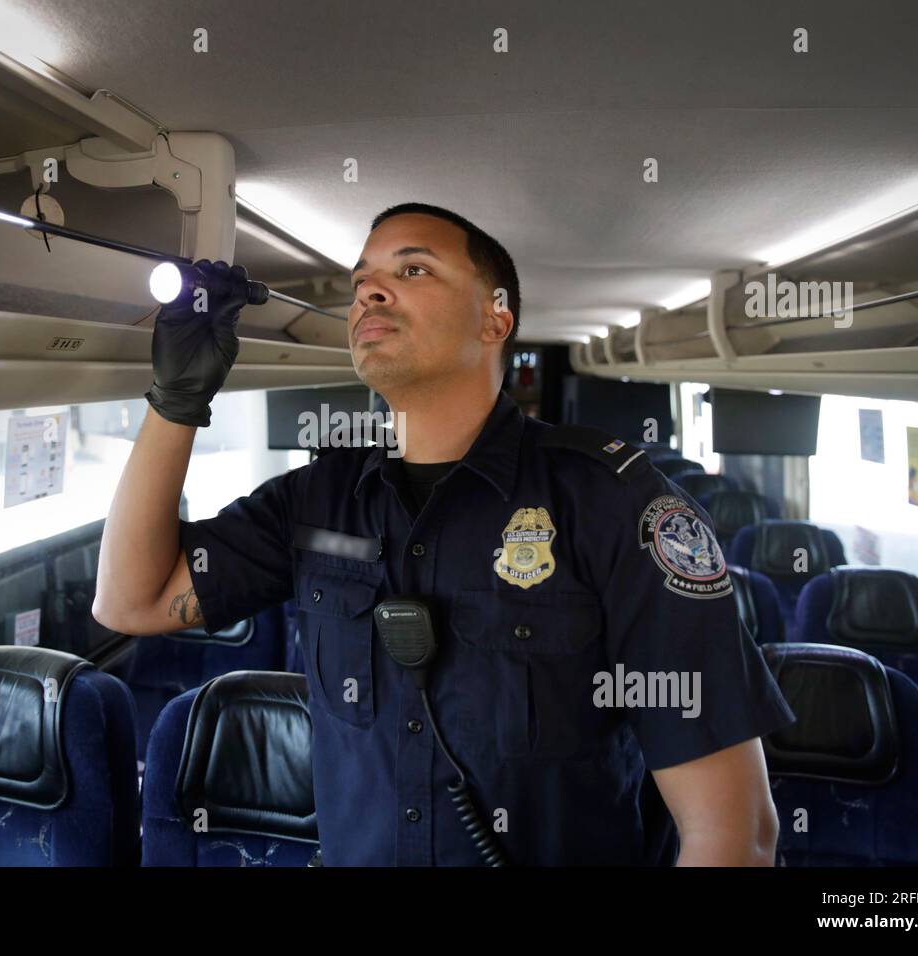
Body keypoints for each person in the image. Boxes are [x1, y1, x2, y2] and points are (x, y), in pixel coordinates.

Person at [94, 202, 794, 866]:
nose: (369, 292)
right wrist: (178, 401)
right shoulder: (318, 501)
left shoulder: (614, 503)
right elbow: (131, 603)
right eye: (362, 280)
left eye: (412, 270)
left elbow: (734, 833)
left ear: (496, 319)